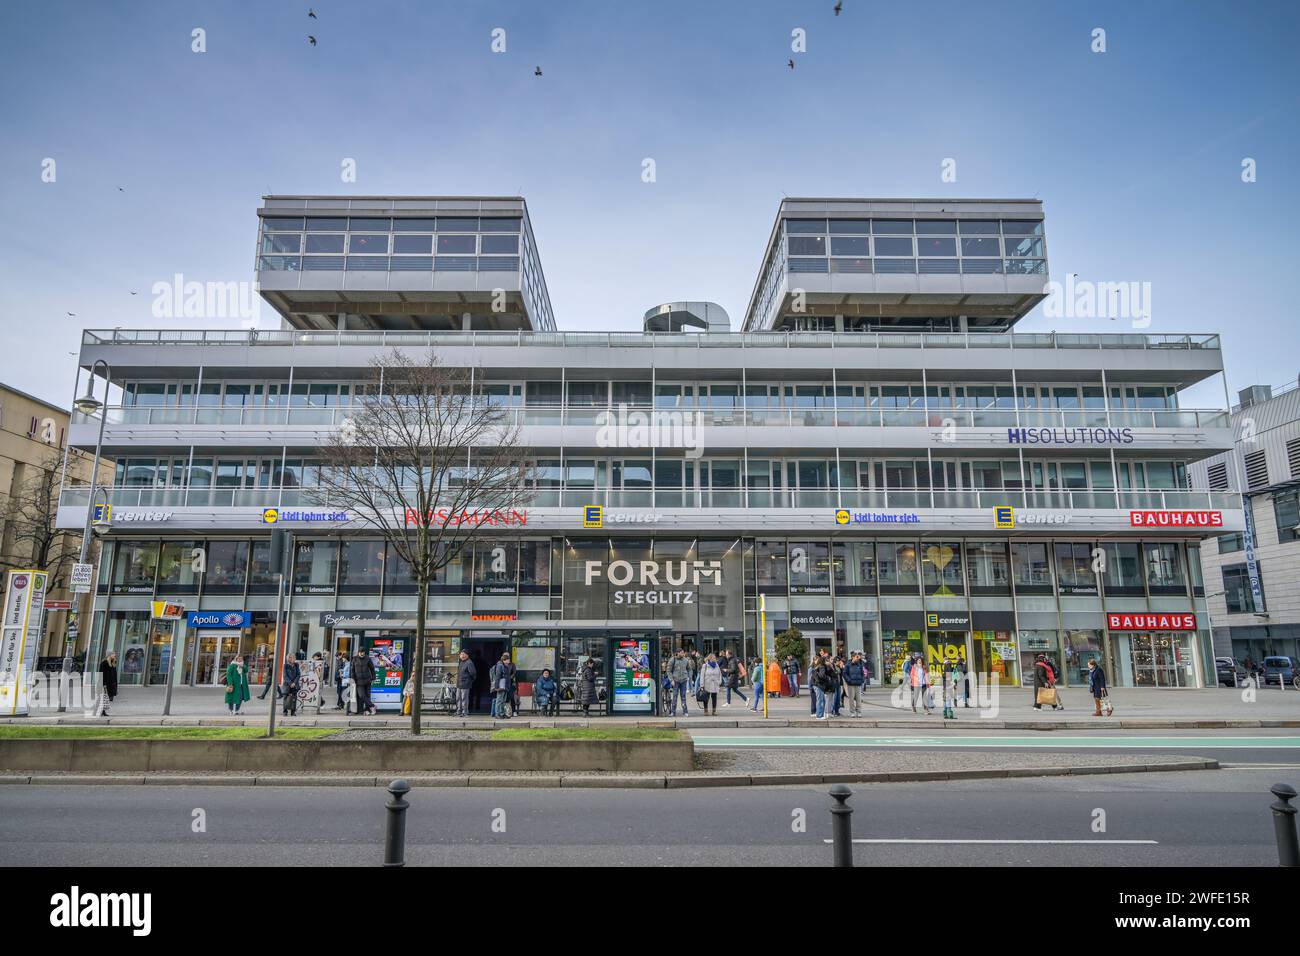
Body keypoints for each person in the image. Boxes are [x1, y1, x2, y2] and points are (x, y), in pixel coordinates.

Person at [351, 648, 376, 716]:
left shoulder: (368, 658)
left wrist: (373, 678)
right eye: (360, 652)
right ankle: (372, 706)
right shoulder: (355, 659)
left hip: (367, 680)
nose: (362, 654)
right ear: (358, 652)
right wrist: (353, 679)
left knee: (367, 696)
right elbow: (352, 670)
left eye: (363, 652)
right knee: (361, 695)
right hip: (359, 681)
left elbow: (372, 669)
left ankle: (367, 710)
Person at [842, 651, 868, 717]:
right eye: (856, 657)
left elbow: (862, 673)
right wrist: (849, 680)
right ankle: (852, 712)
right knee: (851, 698)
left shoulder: (859, 664)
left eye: (858, 657)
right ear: (852, 657)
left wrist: (862, 680)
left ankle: (859, 711)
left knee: (858, 699)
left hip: (858, 683)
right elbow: (844, 673)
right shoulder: (848, 664)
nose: (858, 658)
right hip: (851, 684)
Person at [668, 649, 692, 717]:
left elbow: (689, 669)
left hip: (684, 680)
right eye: (682, 653)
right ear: (678, 653)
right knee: (675, 696)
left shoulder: (686, 660)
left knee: (683, 696)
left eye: (683, 652)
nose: (683, 654)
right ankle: (673, 712)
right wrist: (671, 680)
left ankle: (685, 712)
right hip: (675, 681)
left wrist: (689, 676)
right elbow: (668, 670)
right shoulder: (672, 660)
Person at [490, 653, 514, 719]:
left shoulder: (505, 666)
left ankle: (502, 713)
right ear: (504, 660)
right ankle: (497, 714)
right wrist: (497, 686)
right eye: (508, 660)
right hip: (501, 686)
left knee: (503, 700)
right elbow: (498, 676)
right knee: (499, 700)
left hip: (505, 685)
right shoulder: (500, 666)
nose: (509, 661)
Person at [95, 651, 118, 717]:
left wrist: (115, 684)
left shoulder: (113, 663)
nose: (115, 655)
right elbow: (101, 674)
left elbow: (114, 675)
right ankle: (100, 711)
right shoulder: (104, 663)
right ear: (109, 655)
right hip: (105, 683)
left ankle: (103, 711)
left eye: (114, 654)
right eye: (113, 654)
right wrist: (103, 684)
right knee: (103, 698)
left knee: (106, 698)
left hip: (111, 683)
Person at [455, 649, 476, 717]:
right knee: (458, 698)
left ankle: (465, 712)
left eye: (464, 654)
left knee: (464, 698)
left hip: (465, 684)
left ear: (467, 655)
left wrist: (469, 681)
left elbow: (473, 673)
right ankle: (459, 711)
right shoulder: (461, 662)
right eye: (461, 654)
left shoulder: (469, 662)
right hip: (459, 684)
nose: (462, 656)